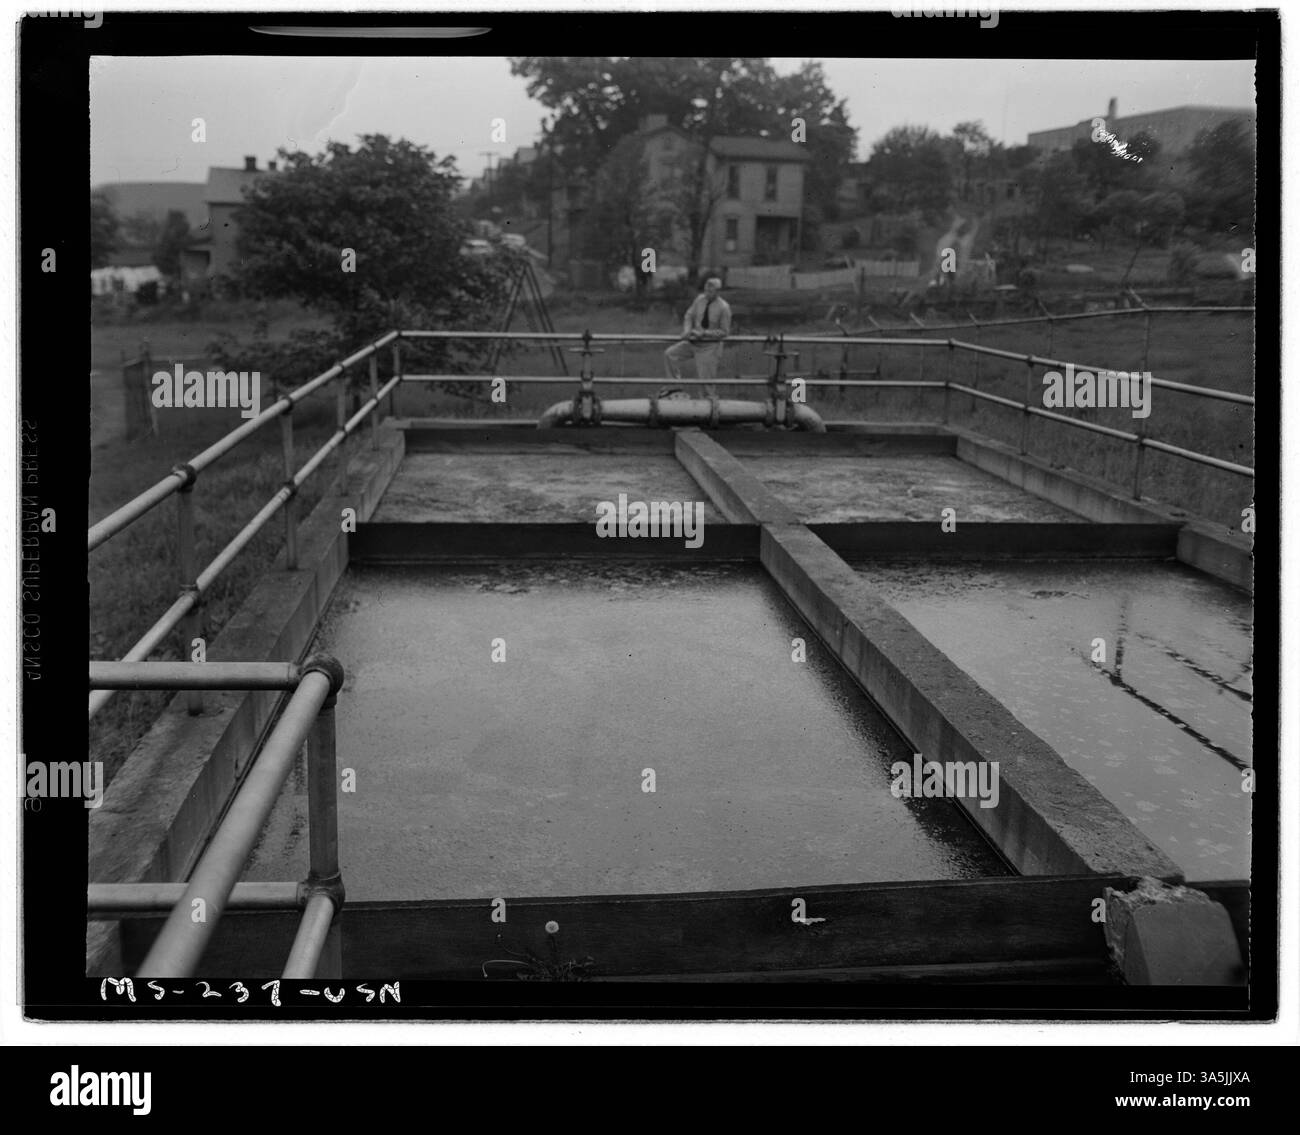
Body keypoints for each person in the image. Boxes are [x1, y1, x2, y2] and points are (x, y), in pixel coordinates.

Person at [664, 276, 731, 386]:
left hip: (709, 347)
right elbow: (689, 315)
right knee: (670, 354)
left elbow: (724, 332)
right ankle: (674, 387)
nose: (707, 293)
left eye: (710, 291)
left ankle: (708, 400)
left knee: (705, 382)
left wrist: (705, 333)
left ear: (718, 292)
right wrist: (687, 330)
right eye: (705, 290)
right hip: (693, 342)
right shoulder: (699, 300)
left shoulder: (724, 308)